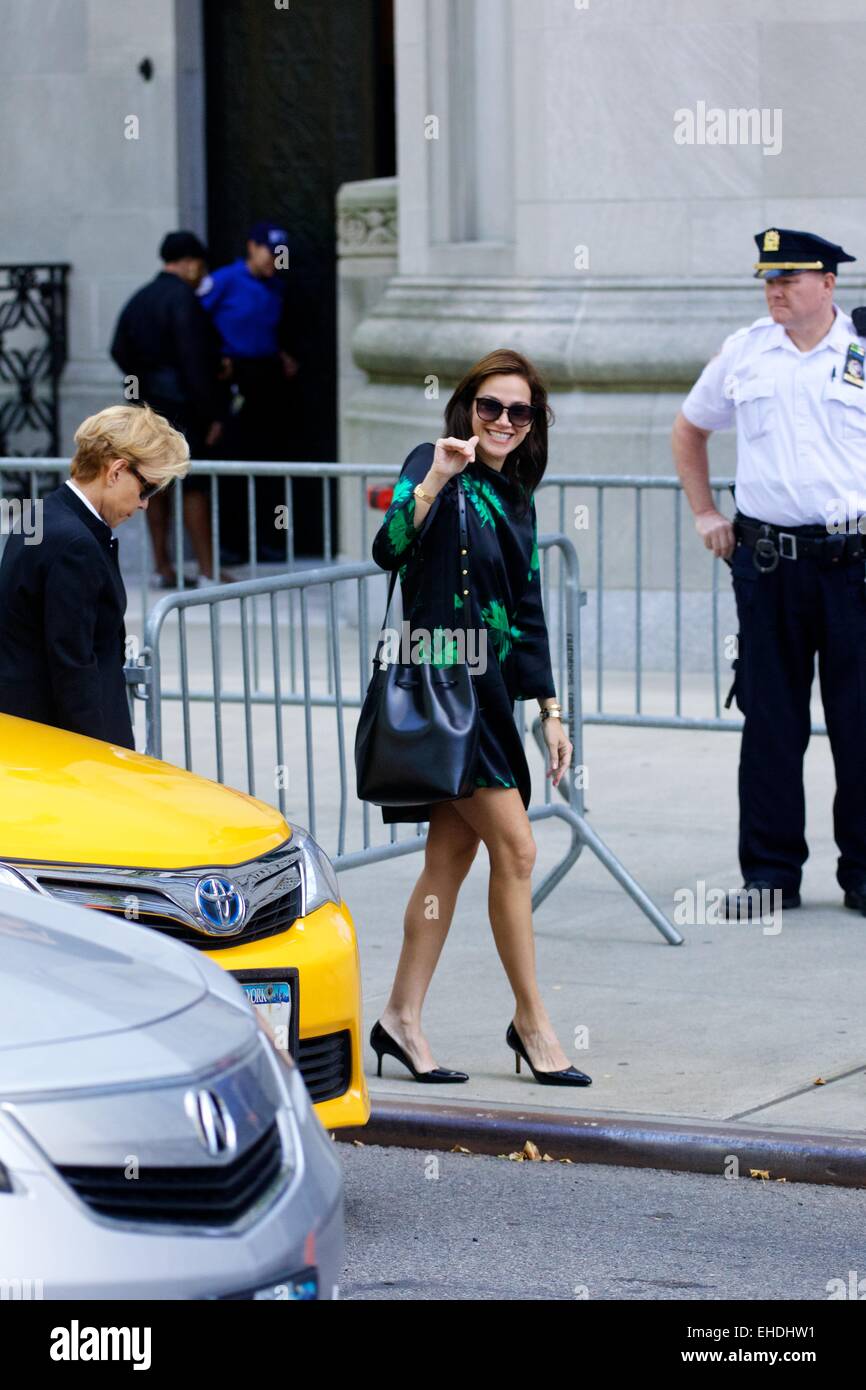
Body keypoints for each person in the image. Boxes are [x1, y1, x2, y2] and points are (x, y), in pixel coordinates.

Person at [367, 348, 590, 1087]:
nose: (501, 421)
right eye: (489, 406)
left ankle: (400, 1017)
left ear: (533, 425)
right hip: (441, 686)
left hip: (488, 696)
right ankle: (531, 1022)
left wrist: (550, 713)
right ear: (467, 407)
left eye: (517, 411)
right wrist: (436, 476)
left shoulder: (518, 500)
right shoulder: (429, 465)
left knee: (448, 861)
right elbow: (388, 548)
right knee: (519, 851)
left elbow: (526, 616)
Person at [672, 227, 866, 919]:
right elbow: (690, 428)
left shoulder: (862, 348)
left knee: (860, 722)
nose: (776, 290)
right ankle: (771, 875)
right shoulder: (746, 351)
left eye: (790, 278)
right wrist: (704, 512)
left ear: (828, 283)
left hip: (854, 566)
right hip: (768, 563)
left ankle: (864, 874)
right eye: (768, 279)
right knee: (771, 725)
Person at [0, 404, 189, 748]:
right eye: (147, 489)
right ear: (116, 471)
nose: (146, 504)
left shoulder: (42, 514)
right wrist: (98, 755)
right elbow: (72, 664)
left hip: (30, 728)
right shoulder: (75, 543)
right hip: (63, 742)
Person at [110, 231, 223, 587]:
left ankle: (163, 567)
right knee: (194, 486)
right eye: (201, 266)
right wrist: (213, 413)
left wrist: (142, 381)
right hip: (183, 410)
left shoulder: (139, 299)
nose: (202, 275)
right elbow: (194, 363)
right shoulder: (183, 300)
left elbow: (118, 349)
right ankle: (208, 571)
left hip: (145, 408)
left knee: (151, 484)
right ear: (189, 262)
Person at [199, 221, 300, 561]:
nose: (275, 261)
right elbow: (195, 323)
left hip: (267, 375)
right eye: (270, 254)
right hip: (233, 375)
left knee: (268, 456)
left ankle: (266, 540)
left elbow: (267, 329)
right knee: (233, 459)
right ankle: (229, 543)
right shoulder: (224, 281)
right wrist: (217, 358)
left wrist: (281, 354)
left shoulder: (277, 287)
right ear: (252, 248)